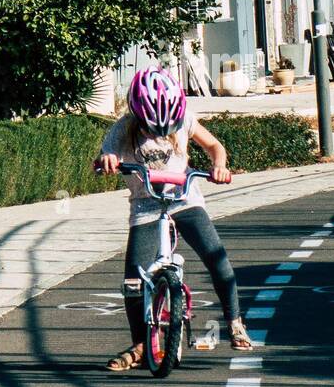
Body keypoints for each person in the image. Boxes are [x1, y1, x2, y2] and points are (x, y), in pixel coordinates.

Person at [96, 66, 253, 371]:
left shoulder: (184, 120)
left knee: (217, 258)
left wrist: (218, 166)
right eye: (153, 128)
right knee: (133, 280)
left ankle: (235, 323)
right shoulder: (122, 128)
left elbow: (214, 146)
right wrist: (108, 160)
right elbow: (105, 156)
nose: (162, 132)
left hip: (185, 200)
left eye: (167, 127)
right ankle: (140, 344)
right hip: (146, 206)